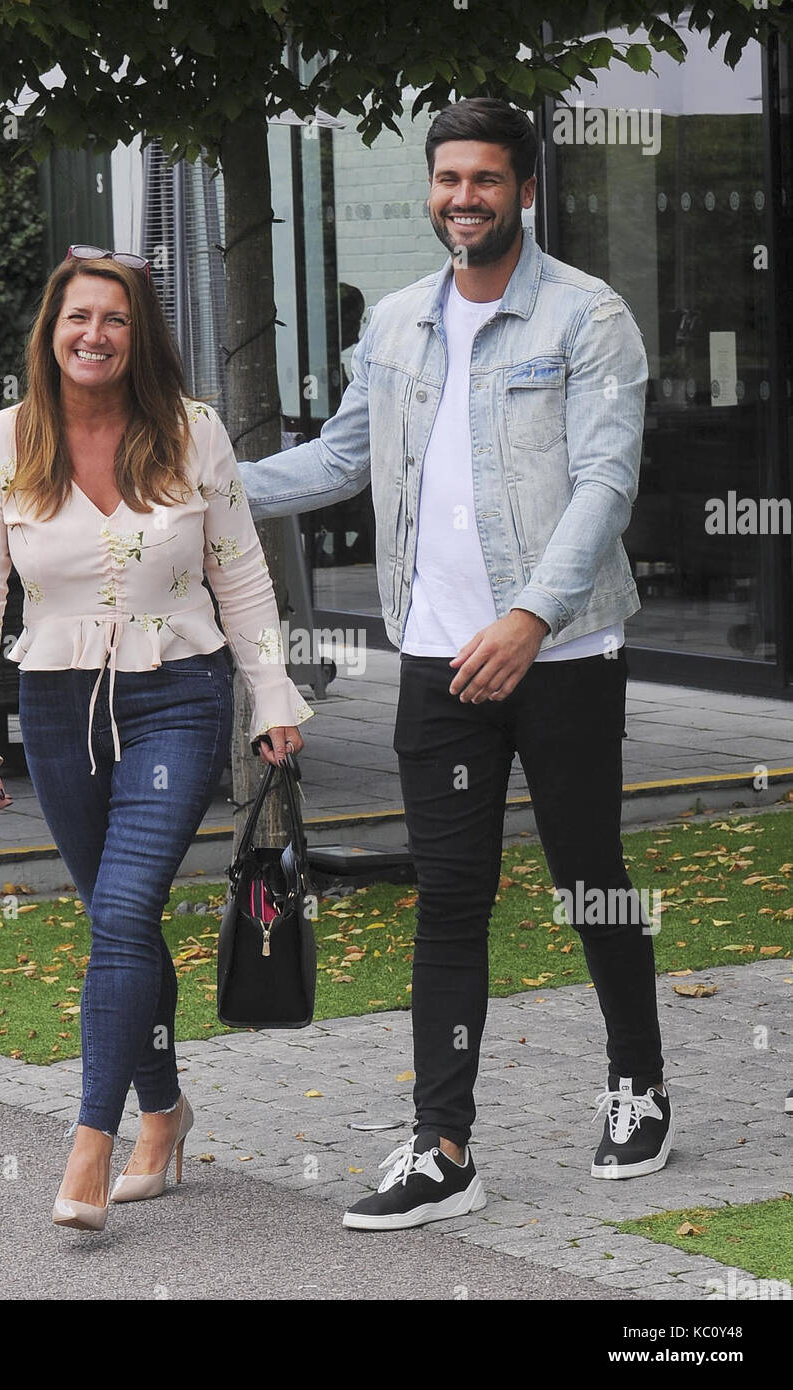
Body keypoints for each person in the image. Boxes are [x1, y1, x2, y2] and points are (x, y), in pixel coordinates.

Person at [237, 98, 670, 1232]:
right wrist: (203, 486)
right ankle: (443, 1147)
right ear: (429, 189)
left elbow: (604, 483)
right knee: (449, 902)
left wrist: (529, 616)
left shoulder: (586, 317)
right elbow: (341, 454)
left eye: (483, 179)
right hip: (435, 662)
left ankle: (637, 1082)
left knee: (588, 875)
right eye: (446, 180)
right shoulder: (392, 323)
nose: (461, 198)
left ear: (522, 188)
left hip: (563, 651)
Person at [0, 245, 312, 1232]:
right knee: (119, 917)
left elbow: (240, 572)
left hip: (178, 694)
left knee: (126, 902)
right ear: (49, 334)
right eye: (75, 319)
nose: (92, 335)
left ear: (138, 336)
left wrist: (270, 692)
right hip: (56, 703)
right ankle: (167, 1111)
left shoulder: (193, 434)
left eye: (113, 319)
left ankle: (89, 1144)